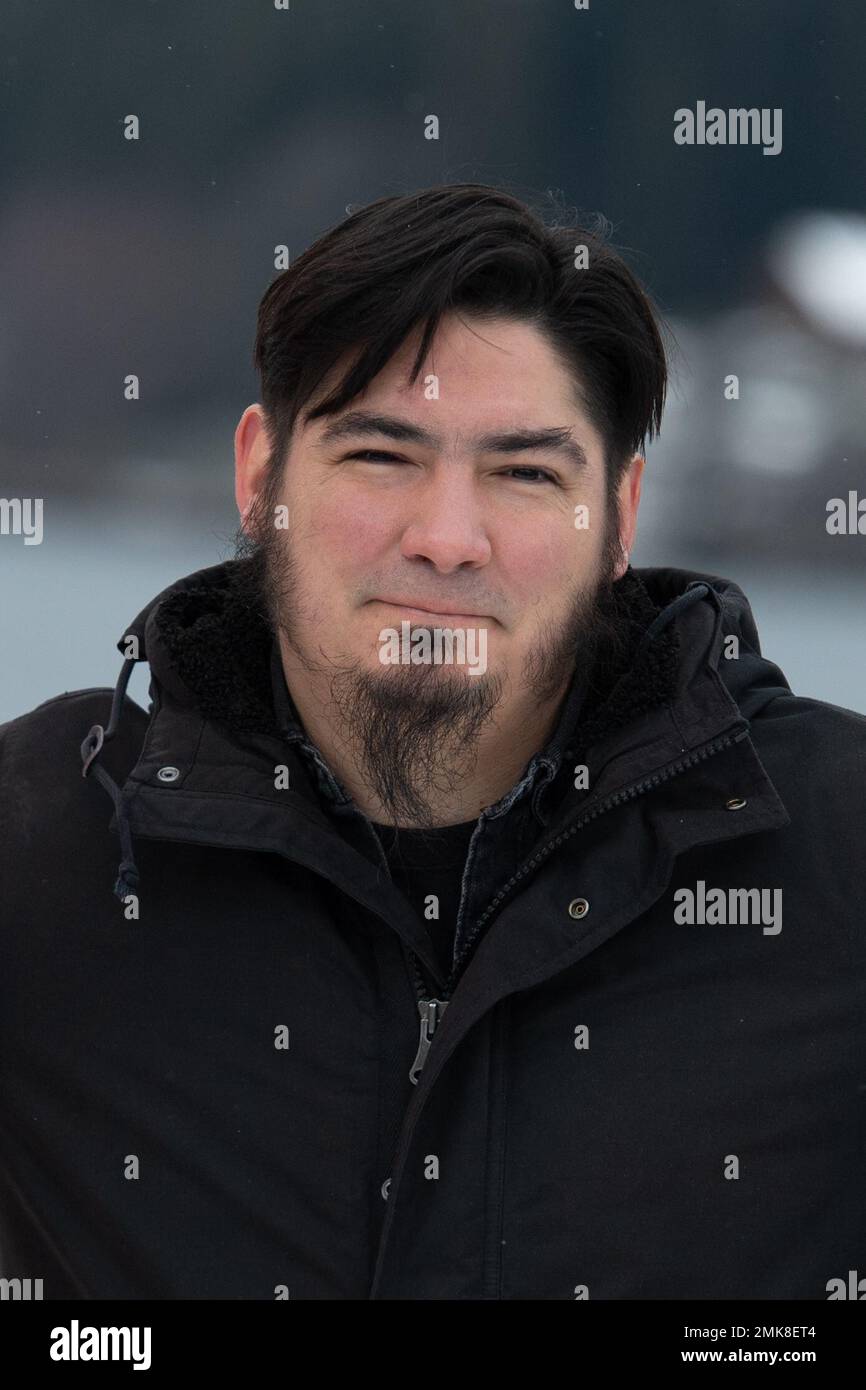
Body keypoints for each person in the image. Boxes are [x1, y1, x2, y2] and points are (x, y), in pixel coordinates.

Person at [1, 184, 863, 1301]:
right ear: (261, 476)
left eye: (524, 473)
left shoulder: (834, 857)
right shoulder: (44, 843)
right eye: (379, 455)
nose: (447, 539)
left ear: (618, 514)